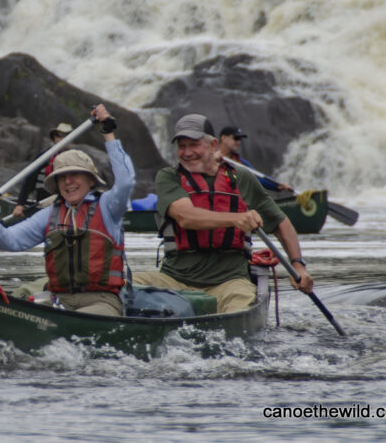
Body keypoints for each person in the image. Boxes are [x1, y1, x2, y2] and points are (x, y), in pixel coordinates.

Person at [133, 114, 314, 313]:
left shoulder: (241, 178)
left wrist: (298, 265)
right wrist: (236, 219)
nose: (187, 152)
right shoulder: (168, 177)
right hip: (174, 280)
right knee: (121, 284)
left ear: (212, 145)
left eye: (194, 145)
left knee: (239, 305)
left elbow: (281, 223)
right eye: (181, 146)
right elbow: (185, 217)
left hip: (230, 283)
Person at [0, 104, 134, 316]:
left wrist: (108, 133)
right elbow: (10, 241)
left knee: (83, 321)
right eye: (62, 177)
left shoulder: (108, 206)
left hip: (102, 301)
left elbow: (126, 182)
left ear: (90, 179)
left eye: (75, 174)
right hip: (59, 299)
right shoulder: (50, 214)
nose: (68, 182)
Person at [10, 121, 74, 218]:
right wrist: (20, 204)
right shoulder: (45, 156)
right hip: (43, 204)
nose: (62, 139)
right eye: (59, 135)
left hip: (66, 204)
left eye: (66, 135)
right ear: (54, 138)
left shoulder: (75, 158)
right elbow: (29, 178)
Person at [218, 125, 292, 192]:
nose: (238, 142)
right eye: (235, 138)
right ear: (224, 138)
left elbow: (257, 178)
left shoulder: (240, 162)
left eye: (239, 139)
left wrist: (277, 186)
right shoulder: (211, 159)